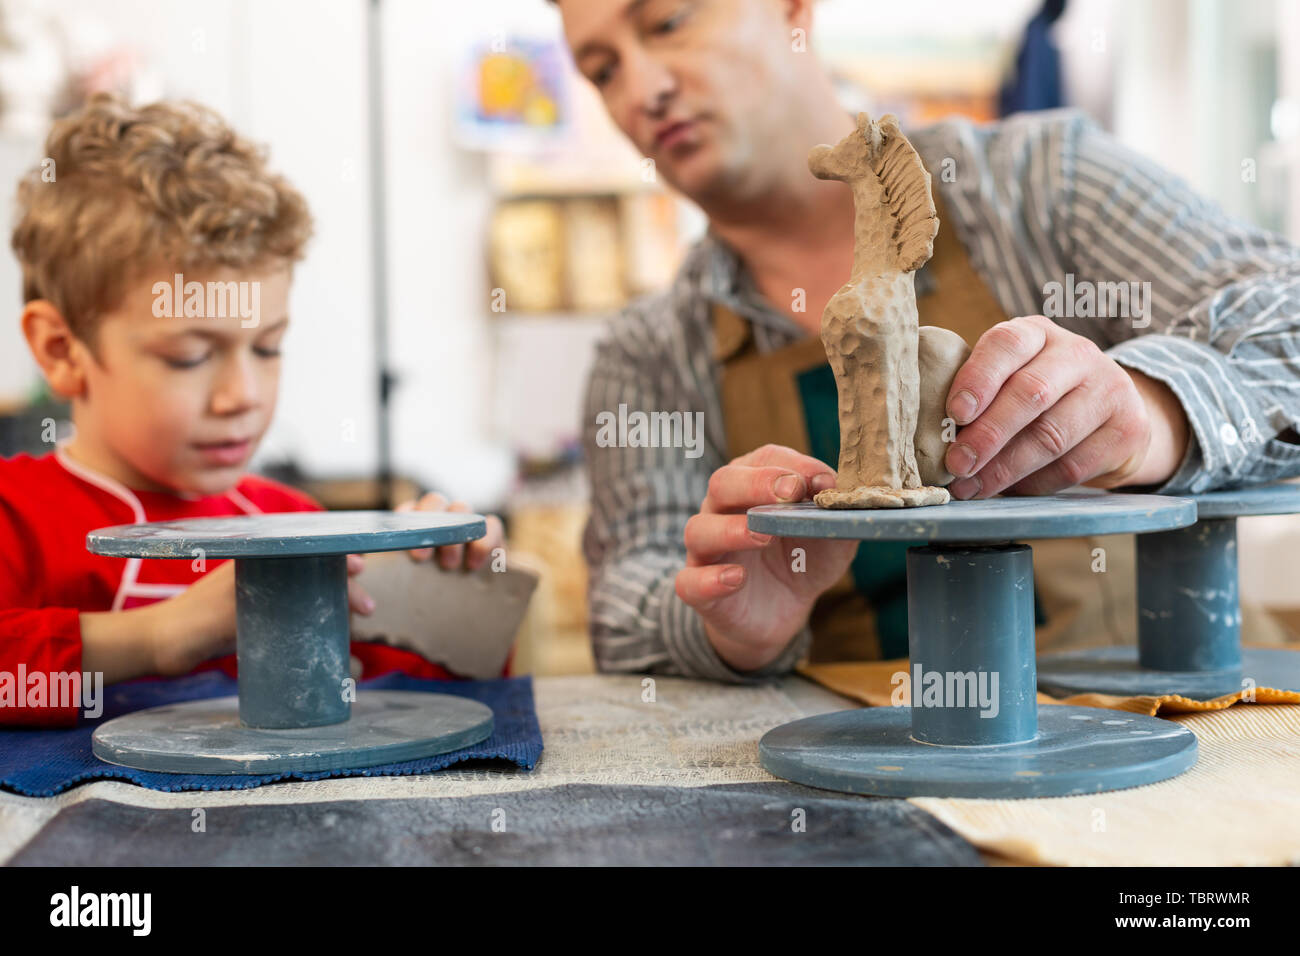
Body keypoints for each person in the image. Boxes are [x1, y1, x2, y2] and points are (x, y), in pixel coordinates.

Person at [552, 0, 1300, 680]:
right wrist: (723, 624)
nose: (640, 90)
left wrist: (1152, 413)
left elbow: (1287, 317)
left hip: (1167, 722)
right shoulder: (646, 354)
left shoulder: (1043, 183)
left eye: (668, 21)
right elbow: (622, 609)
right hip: (866, 773)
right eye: (602, 70)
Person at [1, 94, 502, 725]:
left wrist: (451, 589)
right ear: (60, 350)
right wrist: (158, 637)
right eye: (189, 356)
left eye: (268, 347)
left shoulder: (294, 525)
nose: (243, 394)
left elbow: (420, 705)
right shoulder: (13, 516)